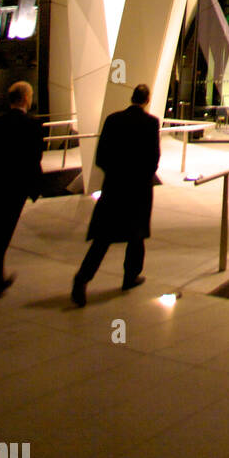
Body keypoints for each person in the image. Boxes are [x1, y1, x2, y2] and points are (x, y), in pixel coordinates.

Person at [71, 84, 160, 307]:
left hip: (114, 188)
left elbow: (101, 157)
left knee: (103, 237)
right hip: (138, 190)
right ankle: (130, 277)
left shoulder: (113, 120)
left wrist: (115, 173)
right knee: (136, 235)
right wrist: (141, 176)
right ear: (147, 99)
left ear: (132, 97)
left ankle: (83, 278)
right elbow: (152, 159)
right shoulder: (151, 124)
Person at [0, 81, 44, 302]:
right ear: (26, 99)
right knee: (1, 236)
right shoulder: (33, 125)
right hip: (17, 188)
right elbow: (34, 159)